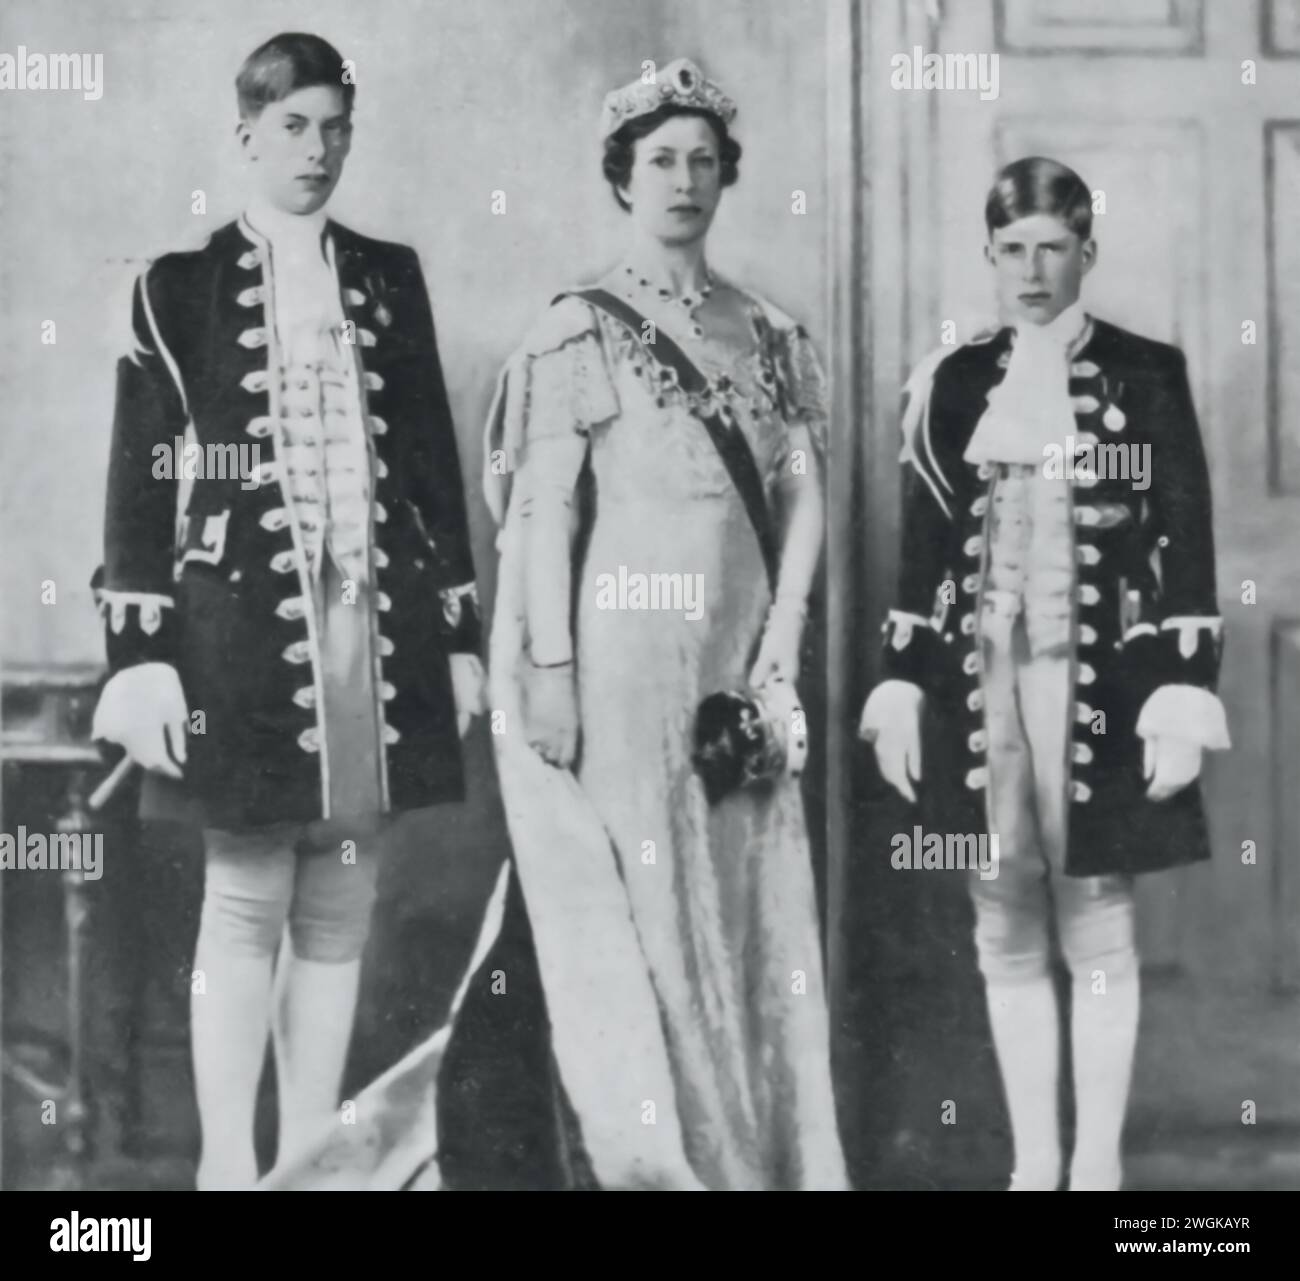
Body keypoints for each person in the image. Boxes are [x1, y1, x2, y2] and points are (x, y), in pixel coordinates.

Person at [260, 56, 846, 1192]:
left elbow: (802, 498)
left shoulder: (769, 334)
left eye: (703, 161)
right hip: (618, 663)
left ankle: (742, 1150)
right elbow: (537, 516)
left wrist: (778, 657)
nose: (682, 180)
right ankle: (628, 1158)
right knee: (626, 904)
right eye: (659, 161)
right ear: (623, 179)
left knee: (732, 903)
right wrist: (553, 672)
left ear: (727, 178)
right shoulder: (582, 328)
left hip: (731, 663)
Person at [90, 32, 485, 1190]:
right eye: (293, 127)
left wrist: (457, 635)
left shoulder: (389, 275)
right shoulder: (178, 287)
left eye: (334, 127)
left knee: (342, 897)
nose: (316, 150)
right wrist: (143, 655)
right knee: (245, 894)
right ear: (248, 134)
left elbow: (427, 467)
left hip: (377, 624)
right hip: (238, 642)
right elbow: (137, 483)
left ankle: (309, 1158)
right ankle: (227, 1163)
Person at [859, 156, 1230, 1191]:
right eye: (1011, 251)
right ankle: (1035, 1168)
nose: (1030, 271)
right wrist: (900, 680)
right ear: (988, 255)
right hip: (979, 682)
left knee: (1096, 907)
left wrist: (1177, 685)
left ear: (1086, 255)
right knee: (999, 911)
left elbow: (1183, 541)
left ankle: (1097, 1169)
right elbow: (925, 549)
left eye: (1051, 250)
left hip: (1096, 684)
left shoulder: (1145, 373)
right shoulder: (953, 380)